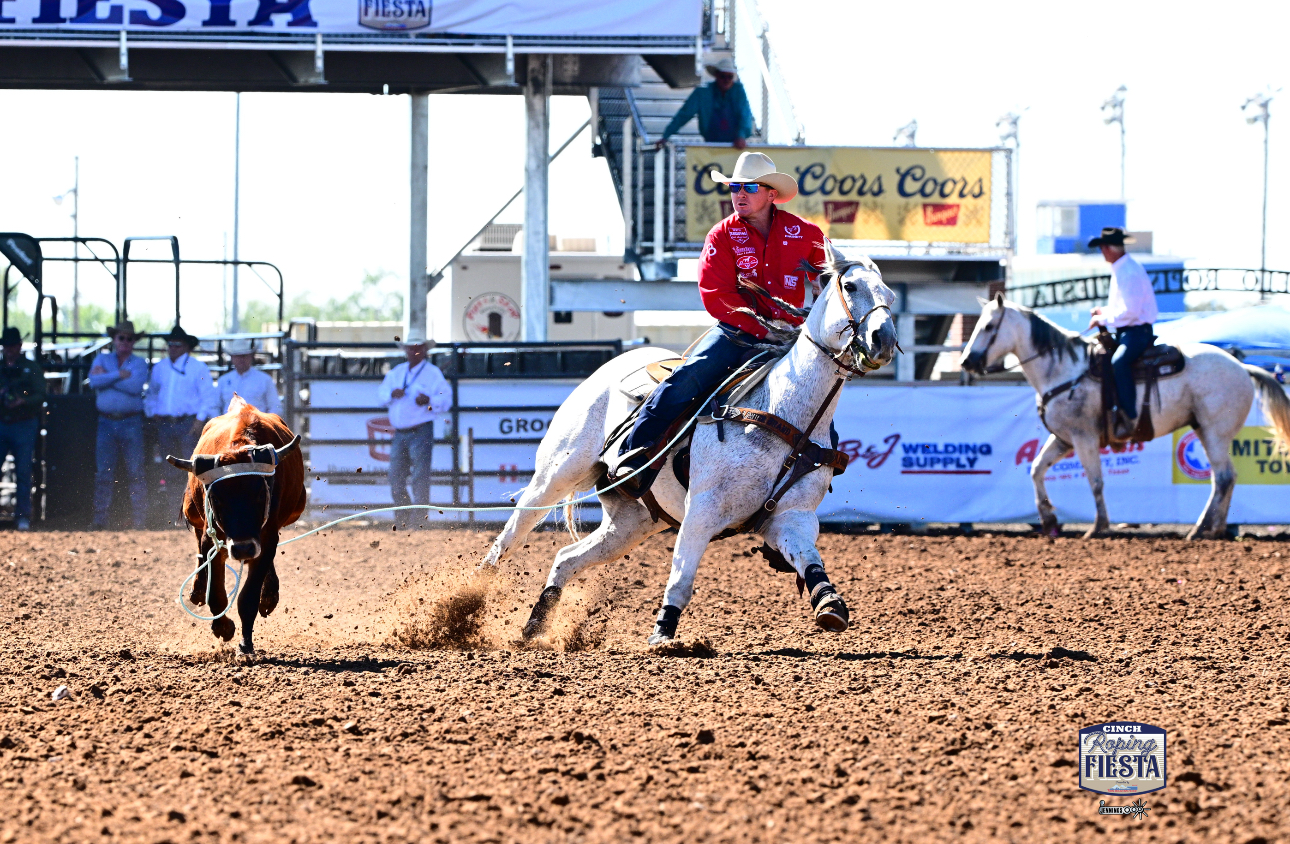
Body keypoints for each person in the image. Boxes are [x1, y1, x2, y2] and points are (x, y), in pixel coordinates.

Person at [613, 151, 826, 496]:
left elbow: (832, 280)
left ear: (771, 194)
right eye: (734, 187)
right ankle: (634, 457)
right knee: (685, 379)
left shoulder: (806, 234)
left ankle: (820, 462)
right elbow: (717, 294)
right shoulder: (722, 235)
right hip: (738, 335)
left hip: (790, 338)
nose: (739, 194)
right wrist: (762, 327)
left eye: (749, 187)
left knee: (822, 387)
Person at [1087, 226, 1158, 439]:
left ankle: (1130, 417)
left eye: (1103, 248)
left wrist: (1101, 318)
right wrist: (1103, 312)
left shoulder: (1128, 272)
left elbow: (1130, 312)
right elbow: (1124, 309)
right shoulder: (1123, 269)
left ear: (1110, 249)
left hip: (1137, 332)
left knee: (1119, 362)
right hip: (1128, 330)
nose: (1102, 252)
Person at [377, 329, 452, 529]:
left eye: (418, 348)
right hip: (401, 431)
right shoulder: (397, 373)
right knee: (396, 476)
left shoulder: (433, 374)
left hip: (421, 430)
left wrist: (429, 401)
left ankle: (417, 521)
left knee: (420, 477)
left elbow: (446, 399)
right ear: (407, 350)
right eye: (412, 348)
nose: (415, 351)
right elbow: (382, 394)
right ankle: (404, 517)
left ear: (425, 350)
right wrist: (392, 394)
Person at [145, 325, 218, 523]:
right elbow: (151, 394)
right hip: (166, 424)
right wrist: (152, 412)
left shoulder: (198, 367)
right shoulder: (160, 368)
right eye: (171, 344)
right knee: (170, 470)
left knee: (191, 470)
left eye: (177, 344)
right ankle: (174, 514)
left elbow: (207, 397)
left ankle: (191, 514)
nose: (173, 348)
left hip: (188, 423)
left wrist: (199, 420)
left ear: (186, 346)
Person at [88, 320, 150, 529]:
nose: (125, 341)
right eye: (121, 337)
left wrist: (106, 377)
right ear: (115, 339)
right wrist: (118, 375)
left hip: (130, 420)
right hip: (106, 420)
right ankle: (100, 520)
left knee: (135, 472)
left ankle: (139, 521)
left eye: (129, 338)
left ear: (133, 341)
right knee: (104, 473)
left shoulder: (138, 363)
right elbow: (94, 381)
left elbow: (135, 387)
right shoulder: (102, 358)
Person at [0, 327, 45, 530]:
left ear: (19, 346)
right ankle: (21, 517)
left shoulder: (31, 368)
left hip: (24, 422)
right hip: (3, 421)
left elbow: (40, 395)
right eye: (6, 346)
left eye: (12, 346)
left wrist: (22, 401)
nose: (9, 350)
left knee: (24, 471)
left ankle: (23, 516)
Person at [656, 57, 754, 149]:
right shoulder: (702, 92)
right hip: (711, 144)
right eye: (723, 76)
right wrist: (666, 135)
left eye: (730, 77)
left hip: (734, 145)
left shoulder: (739, 91)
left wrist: (741, 136)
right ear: (716, 75)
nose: (726, 80)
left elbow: (745, 115)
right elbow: (684, 114)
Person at [217, 338, 283, 418]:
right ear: (232, 358)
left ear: (251, 357)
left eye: (244, 356)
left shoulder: (265, 380)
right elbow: (214, 406)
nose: (241, 359)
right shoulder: (223, 381)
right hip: (229, 426)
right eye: (238, 356)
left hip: (257, 425)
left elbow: (275, 407)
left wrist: (264, 423)